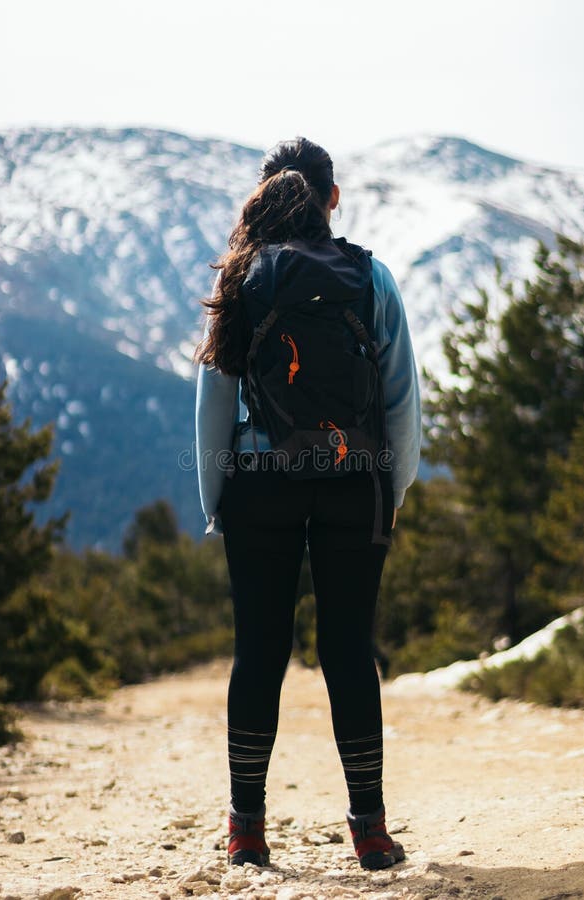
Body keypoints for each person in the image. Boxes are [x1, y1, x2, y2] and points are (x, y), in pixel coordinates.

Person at [194, 137, 421, 870]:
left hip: (259, 481)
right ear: (333, 199)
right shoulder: (371, 277)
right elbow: (400, 399)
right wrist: (395, 485)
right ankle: (370, 830)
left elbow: (214, 403)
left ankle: (247, 831)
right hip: (356, 480)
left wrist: (217, 497)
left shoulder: (241, 279)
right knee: (349, 651)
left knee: (259, 652)